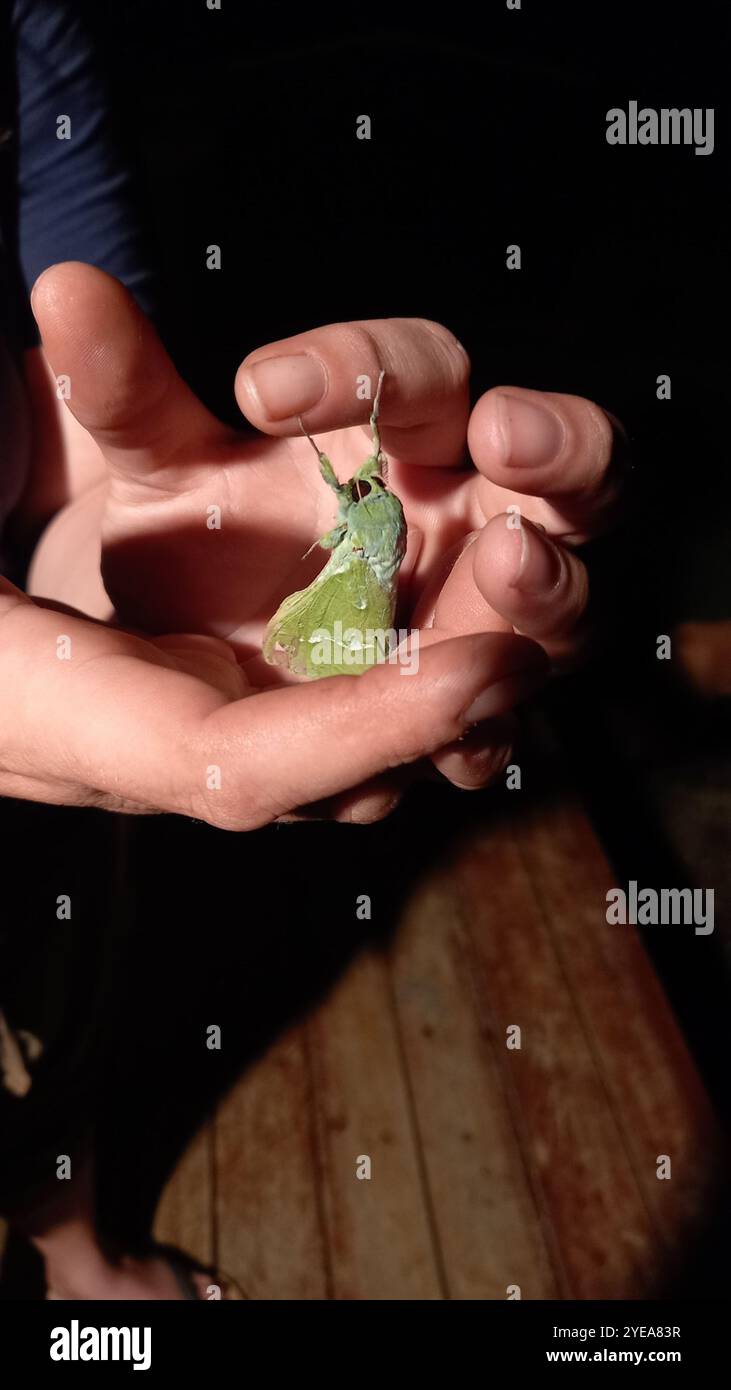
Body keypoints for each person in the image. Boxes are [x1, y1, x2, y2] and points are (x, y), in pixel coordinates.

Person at [1, 4, 626, 1300]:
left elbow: (77, 490)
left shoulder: (35, 39)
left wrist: (118, 585)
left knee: (57, 1017)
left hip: (60, 814)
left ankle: (73, 1252)